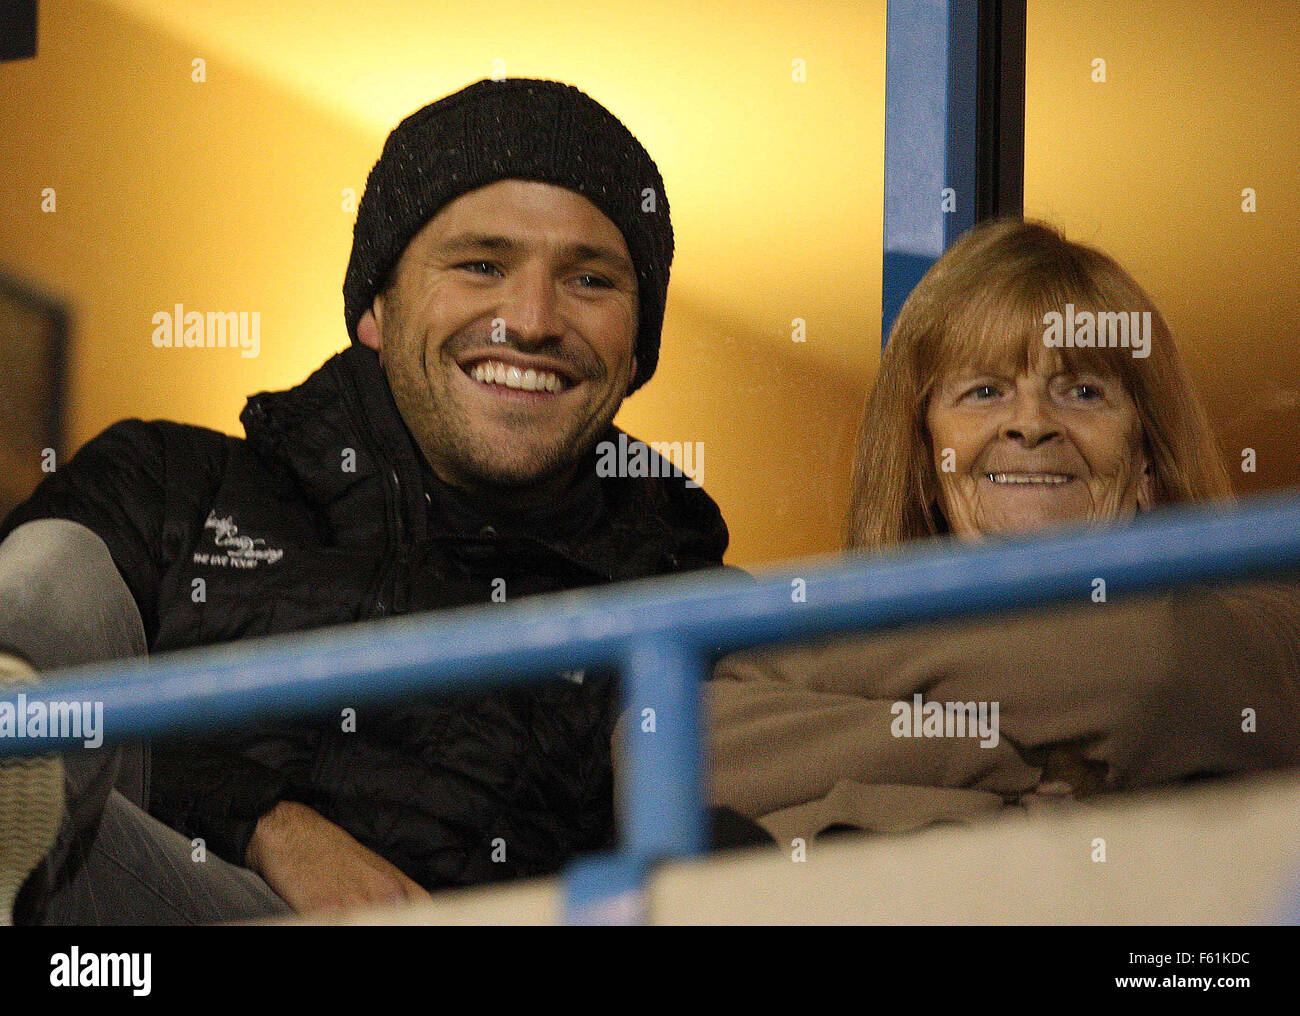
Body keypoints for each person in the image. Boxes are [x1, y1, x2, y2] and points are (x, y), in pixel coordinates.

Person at [0, 78, 738, 925]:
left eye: (591, 281)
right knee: (54, 572)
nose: (531, 320)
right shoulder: (165, 481)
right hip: (107, 921)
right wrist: (261, 823)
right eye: (482, 265)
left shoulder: (676, 607)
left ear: (638, 343)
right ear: (378, 309)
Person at [706, 218, 1300, 845]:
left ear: (1147, 457)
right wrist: (1013, 761)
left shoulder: (1241, 629)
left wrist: (898, 780)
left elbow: (1150, 666)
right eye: (985, 391)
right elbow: (674, 749)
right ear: (925, 461)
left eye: (1083, 391)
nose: (1031, 423)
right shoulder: (832, 620)